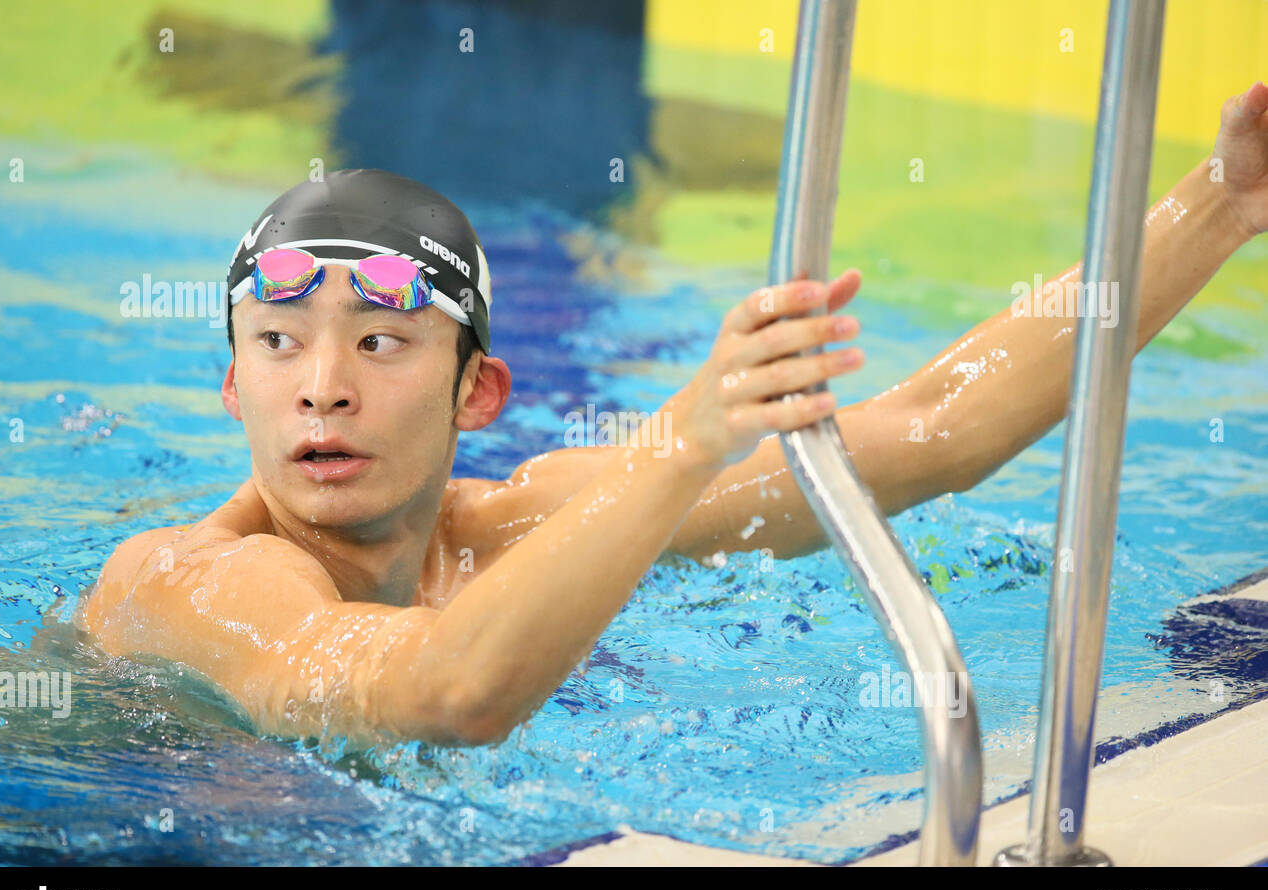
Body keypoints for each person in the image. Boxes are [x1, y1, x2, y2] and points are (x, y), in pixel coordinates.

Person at [77, 81, 1268, 750]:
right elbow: (441, 696)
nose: (321, 384)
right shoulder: (193, 580)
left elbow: (933, 432)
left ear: (477, 392)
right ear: (233, 390)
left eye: (380, 341)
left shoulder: (513, 525)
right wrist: (689, 434)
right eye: (276, 345)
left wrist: (1220, 202)